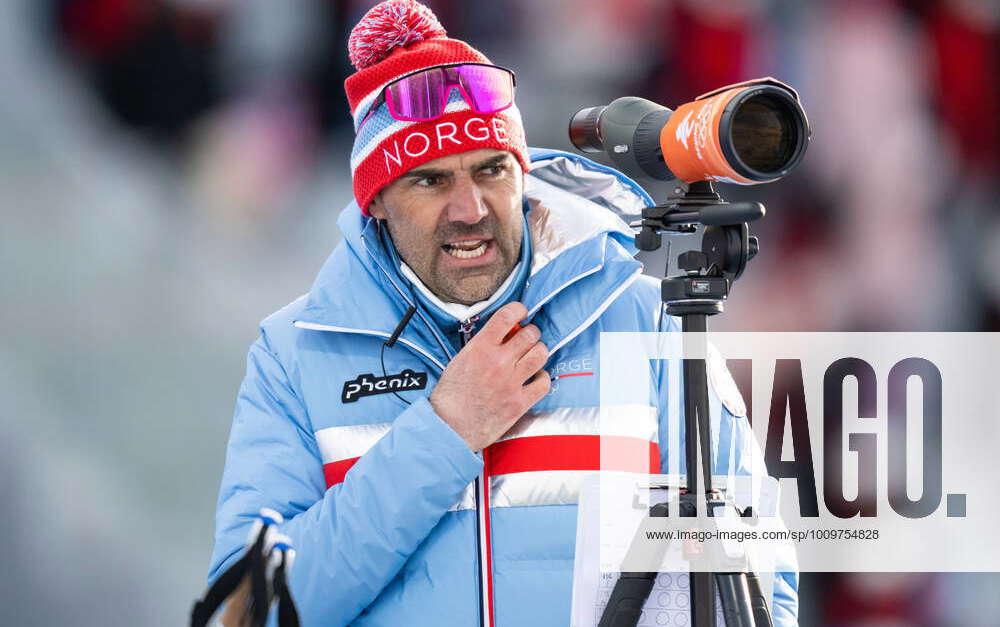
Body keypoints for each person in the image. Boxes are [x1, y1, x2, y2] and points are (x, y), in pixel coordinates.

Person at [208, 1, 799, 625]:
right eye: (430, 181)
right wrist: (444, 434)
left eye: (490, 170)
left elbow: (766, 588)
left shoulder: (642, 321)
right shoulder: (296, 354)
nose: (470, 208)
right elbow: (246, 611)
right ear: (376, 201)